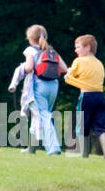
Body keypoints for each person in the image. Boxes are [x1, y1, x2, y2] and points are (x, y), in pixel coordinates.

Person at [15, 24, 68, 155]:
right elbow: (64, 69)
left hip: (39, 86)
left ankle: (53, 147)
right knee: (39, 115)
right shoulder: (51, 51)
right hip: (53, 86)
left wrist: (21, 69)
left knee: (43, 115)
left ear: (29, 38)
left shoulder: (30, 50)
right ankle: (31, 149)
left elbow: (28, 67)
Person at [65, 34, 105, 159]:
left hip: (86, 96)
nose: (75, 50)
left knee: (82, 124)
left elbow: (70, 77)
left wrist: (67, 73)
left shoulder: (79, 61)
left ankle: (84, 154)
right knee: (101, 125)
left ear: (87, 48)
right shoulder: (99, 63)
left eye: (78, 47)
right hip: (100, 97)